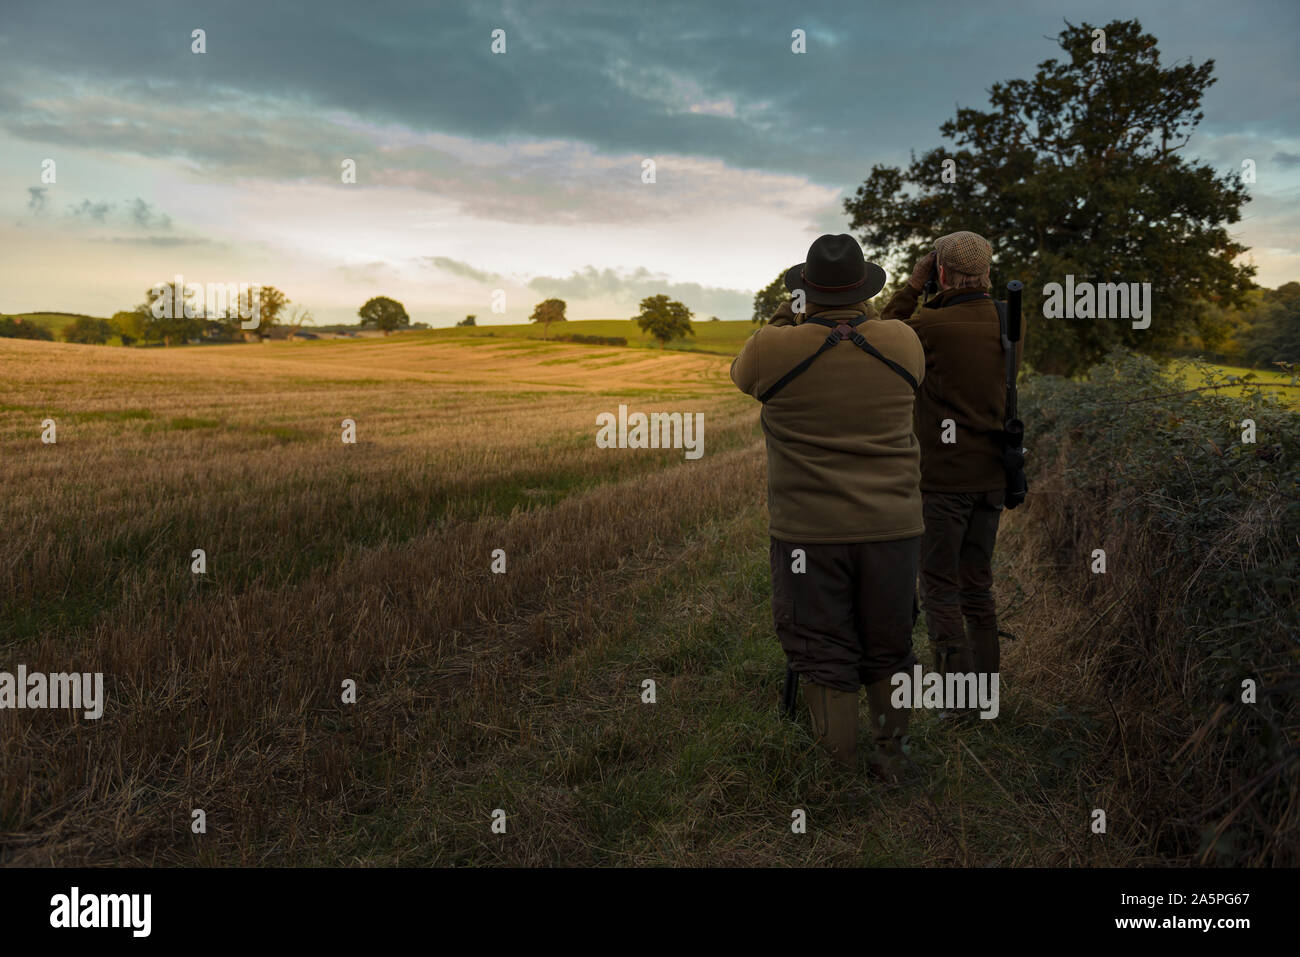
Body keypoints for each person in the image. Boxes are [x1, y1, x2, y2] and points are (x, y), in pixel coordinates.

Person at [730, 234, 925, 775]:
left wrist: (786, 314)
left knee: (822, 650)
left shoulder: (771, 348)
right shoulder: (905, 341)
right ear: (863, 290)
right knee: (891, 646)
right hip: (894, 526)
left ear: (803, 292)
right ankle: (894, 758)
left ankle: (835, 773)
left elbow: (741, 375)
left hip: (808, 533)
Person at [879, 231, 1017, 701]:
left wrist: (913, 287)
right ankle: (986, 695)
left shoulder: (927, 329)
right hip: (994, 476)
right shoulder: (1007, 320)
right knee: (977, 586)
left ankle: (958, 704)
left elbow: (881, 334)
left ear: (939, 273)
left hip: (943, 481)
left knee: (939, 587)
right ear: (987, 272)